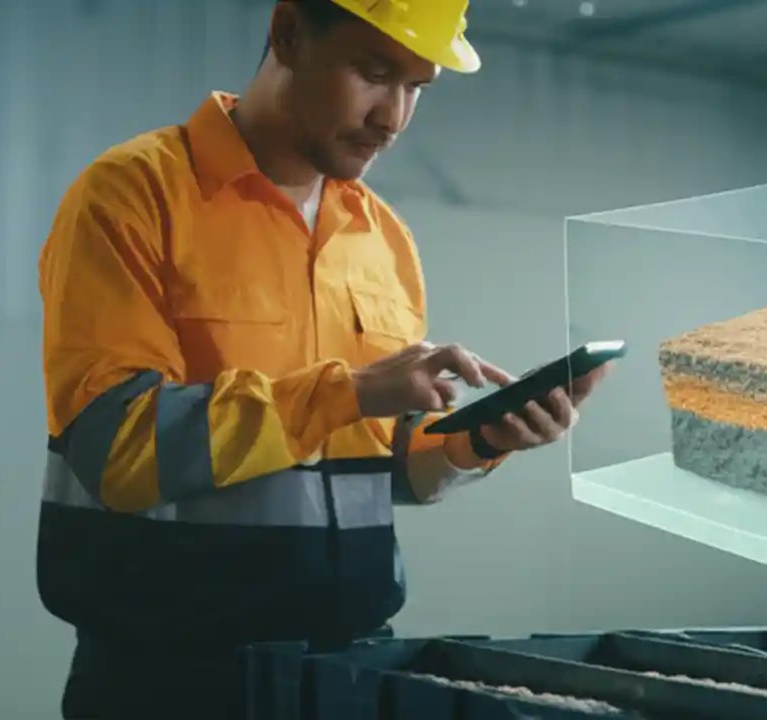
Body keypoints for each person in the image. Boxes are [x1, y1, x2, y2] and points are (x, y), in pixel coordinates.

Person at [35, 0, 611, 717]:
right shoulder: (132, 194)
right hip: (168, 680)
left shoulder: (383, 239)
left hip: (348, 671)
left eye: (416, 87)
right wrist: (349, 392)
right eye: (374, 73)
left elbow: (377, 467)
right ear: (287, 33)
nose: (393, 118)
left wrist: (483, 437)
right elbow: (116, 449)